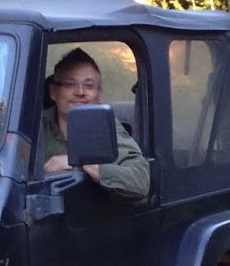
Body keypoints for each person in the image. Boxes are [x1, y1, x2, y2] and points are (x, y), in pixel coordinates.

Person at [40, 48, 150, 202]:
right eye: (70, 84)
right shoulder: (33, 126)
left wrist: (77, 163)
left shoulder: (106, 127)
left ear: (99, 94)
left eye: (89, 86)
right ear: (53, 92)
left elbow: (140, 181)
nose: (80, 92)